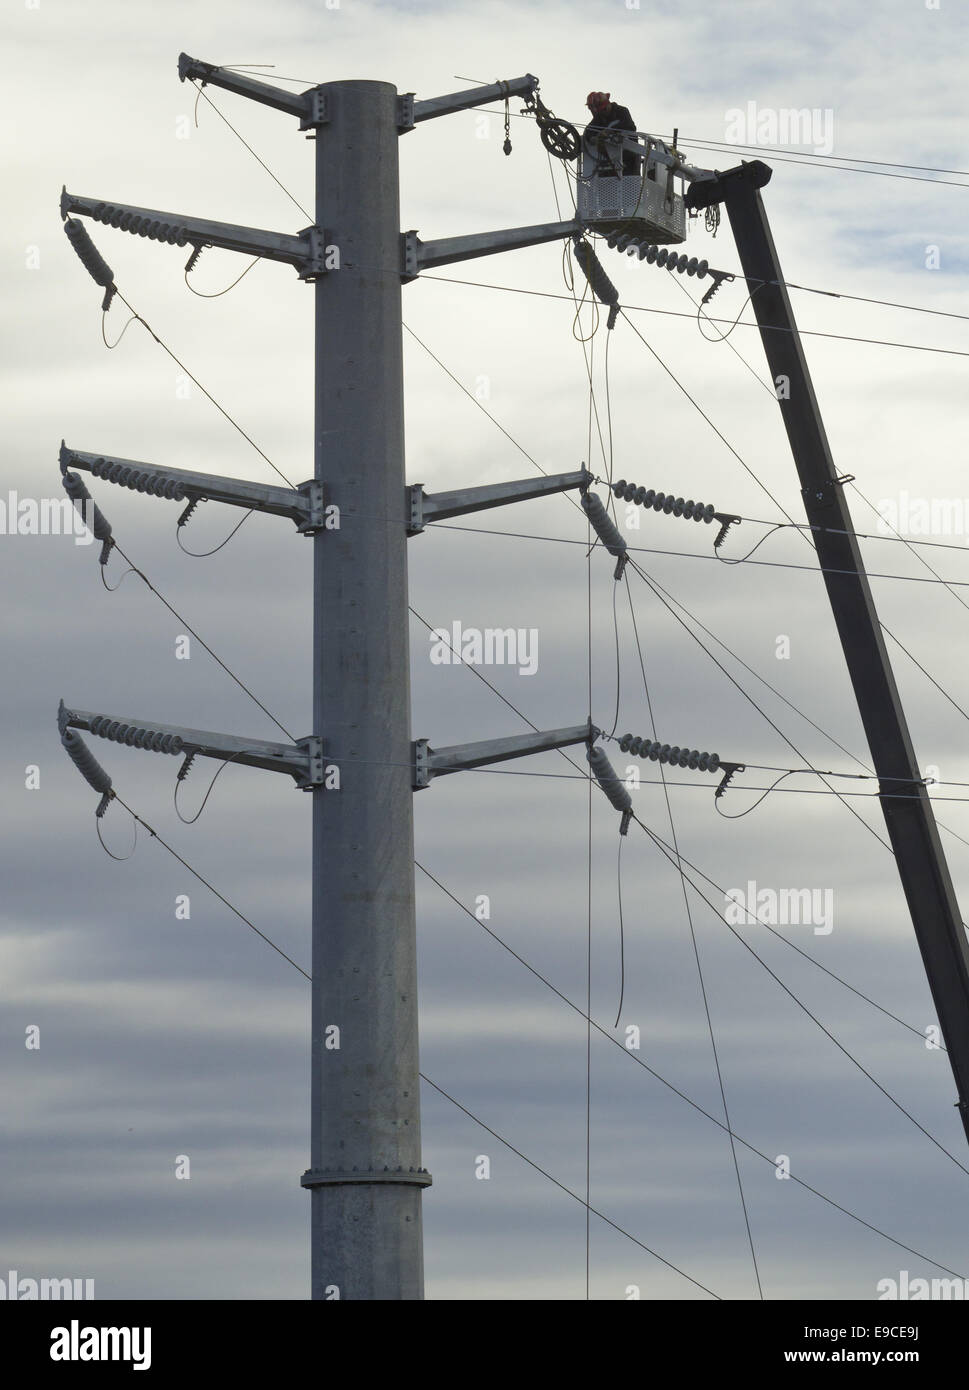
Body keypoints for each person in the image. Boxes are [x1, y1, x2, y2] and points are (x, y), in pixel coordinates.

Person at [585, 91, 641, 176]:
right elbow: (588, 132)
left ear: (608, 104)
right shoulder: (599, 118)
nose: (603, 112)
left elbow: (631, 127)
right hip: (611, 160)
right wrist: (594, 138)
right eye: (600, 111)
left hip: (630, 156)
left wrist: (611, 131)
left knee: (629, 182)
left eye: (604, 110)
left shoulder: (622, 111)